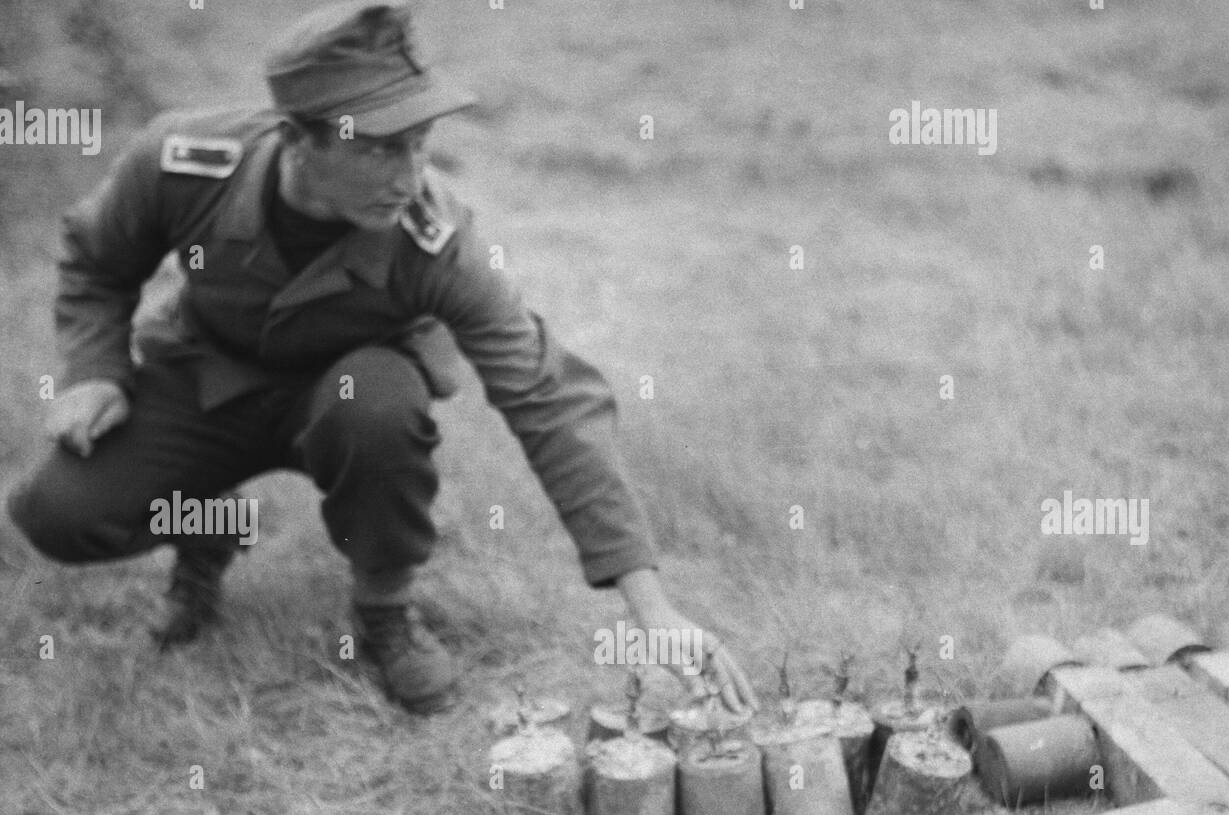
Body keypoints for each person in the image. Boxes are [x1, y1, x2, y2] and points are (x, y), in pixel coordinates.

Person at [5, 1, 756, 717]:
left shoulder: (436, 239)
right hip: (208, 377)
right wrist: (94, 368)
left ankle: (384, 613)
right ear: (299, 140)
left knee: (379, 403)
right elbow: (96, 261)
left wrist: (650, 608)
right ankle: (208, 527)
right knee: (57, 514)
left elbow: (546, 396)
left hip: (348, 399)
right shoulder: (182, 162)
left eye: (419, 143)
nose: (409, 175)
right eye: (379, 148)